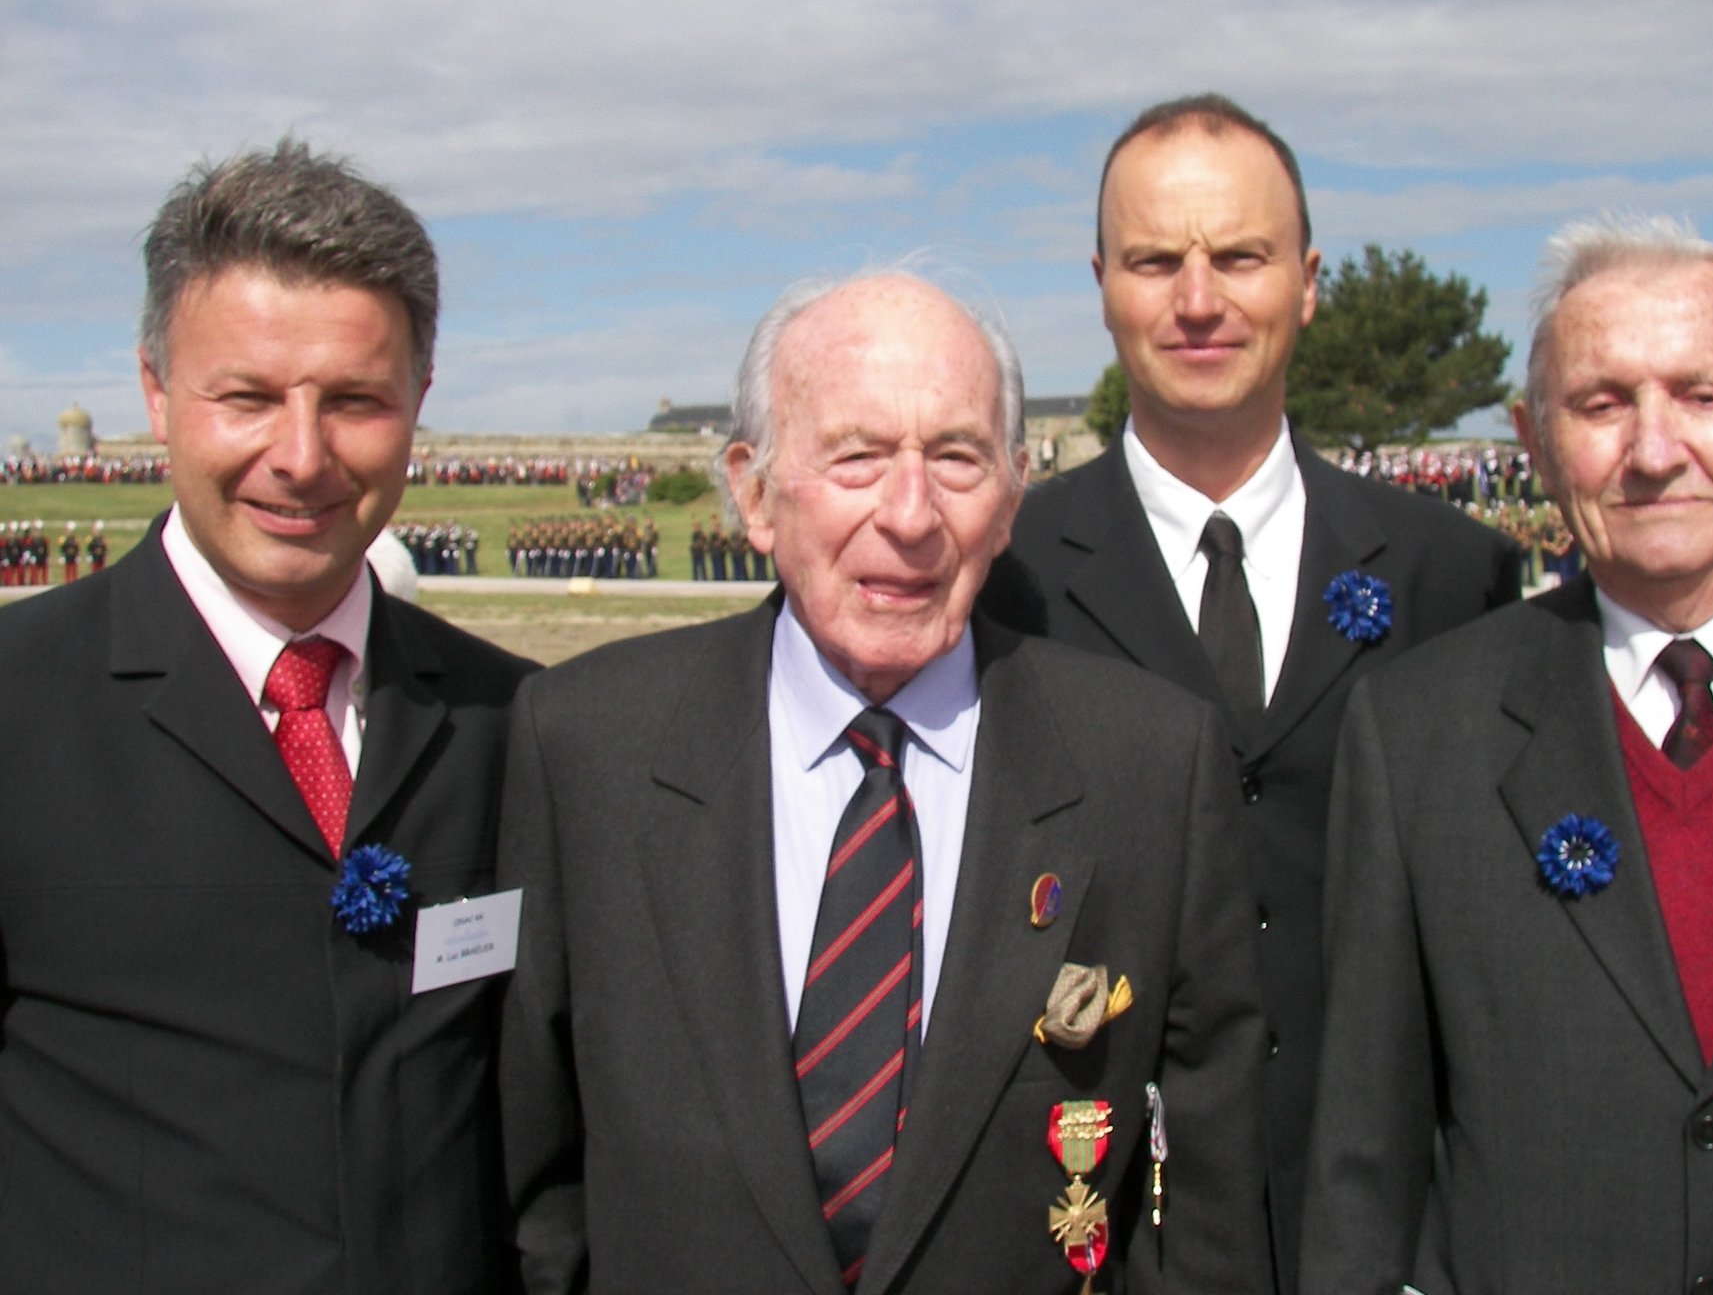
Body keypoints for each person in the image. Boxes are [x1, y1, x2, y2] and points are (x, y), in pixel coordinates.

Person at [499, 271, 1267, 1293]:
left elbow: (1209, 1179)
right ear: (755, 491)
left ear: (1008, 501)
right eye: (856, 456)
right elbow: (535, 1177)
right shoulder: (587, 746)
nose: (911, 516)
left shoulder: (1149, 765)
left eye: (956, 457)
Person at [1300, 216, 1713, 1294]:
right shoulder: (1418, 735)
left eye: (1704, 395)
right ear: (1533, 442)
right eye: (1601, 405)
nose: (1654, 449)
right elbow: (1367, 1159)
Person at [979, 92, 1521, 1290]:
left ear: (1310, 280)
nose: (1199, 299)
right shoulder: (999, 579)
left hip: (1387, 1231)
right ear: (1102, 282)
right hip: (1096, 1233)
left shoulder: (1448, 571)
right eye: (1155, 260)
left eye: (1240, 256)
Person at [0, 139, 533, 1293]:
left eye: (354, 401)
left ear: (419, 403)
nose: (301, 457)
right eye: (245, 396)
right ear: (154, 394)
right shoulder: (15, 704)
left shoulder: (514, 719)